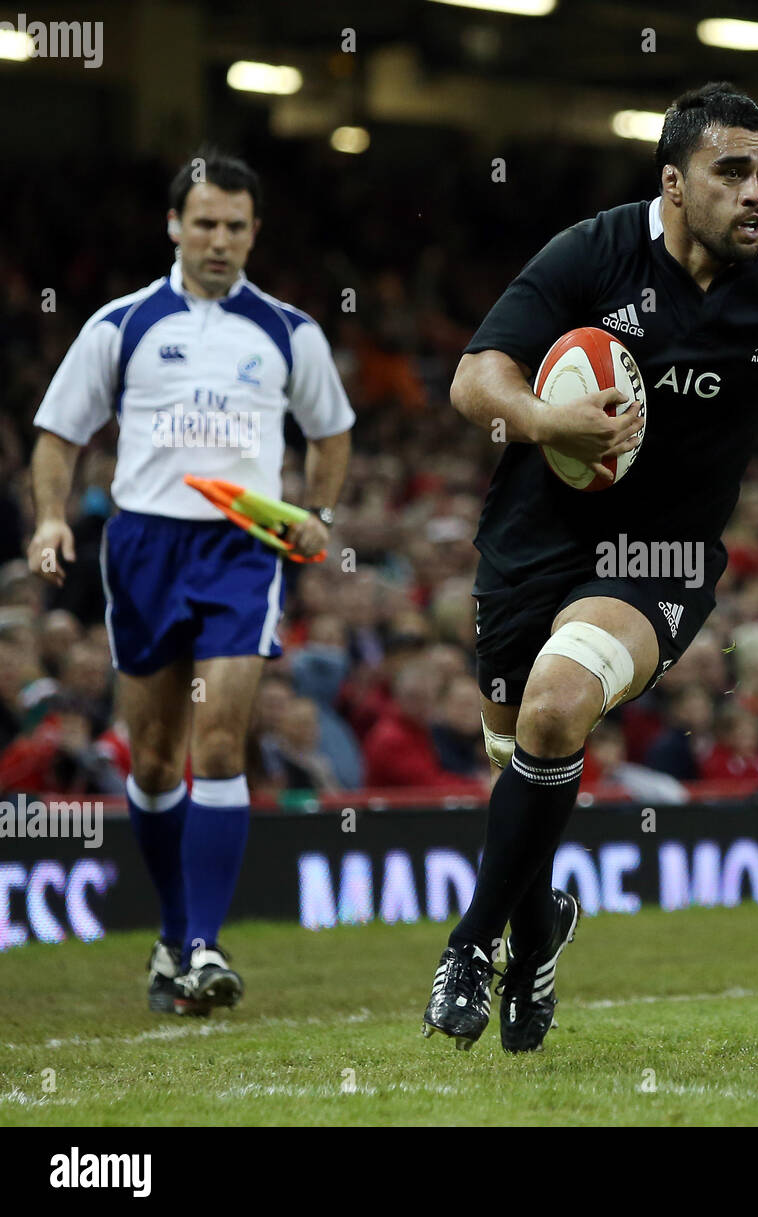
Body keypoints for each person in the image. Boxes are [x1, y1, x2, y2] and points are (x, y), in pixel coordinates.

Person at [425, 82, 758, 1051]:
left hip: (657, 558)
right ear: (673, 182)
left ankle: (470, 945)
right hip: (529, 540)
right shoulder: (593, 252)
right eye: (730, 171)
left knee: (553, 707)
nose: (755, 194)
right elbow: (473, 376)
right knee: (515, 756)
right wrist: (540, 419)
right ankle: (538, 935)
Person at [26, 149, 354, 1015]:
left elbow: (332, 432)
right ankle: (175, 937)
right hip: (142, 548)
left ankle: (204, 944)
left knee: (218, 743)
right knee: (157, 758)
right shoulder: (121, 324)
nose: (219, 239)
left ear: (255, 233)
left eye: (235, 226)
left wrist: (319, 509)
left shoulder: (289, 331)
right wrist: (53, 517)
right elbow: (59, 434)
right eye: (203, 222)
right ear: (175, 225)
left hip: (243, 548)